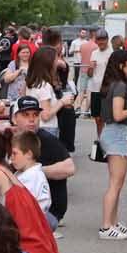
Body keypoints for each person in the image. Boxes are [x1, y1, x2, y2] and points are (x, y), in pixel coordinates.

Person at [97, 48, 127, 240]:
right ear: (122, 65)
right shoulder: (121, 86)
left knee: (117, 183)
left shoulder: (114, 84)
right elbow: (117, 115)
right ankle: (106, 226)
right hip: (116, 134)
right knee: (115, 184)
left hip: (115, 134)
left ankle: (113, 223)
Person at [9, 95, 74, 227]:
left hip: (47, 212)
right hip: (25, 205)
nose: (32, 119)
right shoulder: (10, 137)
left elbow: (70, 168)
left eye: (35, 115)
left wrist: (33, 170)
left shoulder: (45, 139)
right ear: (14, 118)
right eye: (26, 115)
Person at [7, 130, 52, 223]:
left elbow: (19, 208)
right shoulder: (25, 173)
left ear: (28, 154)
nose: (11, 158)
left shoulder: (32, 179)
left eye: (15, 153)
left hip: (29, 225)